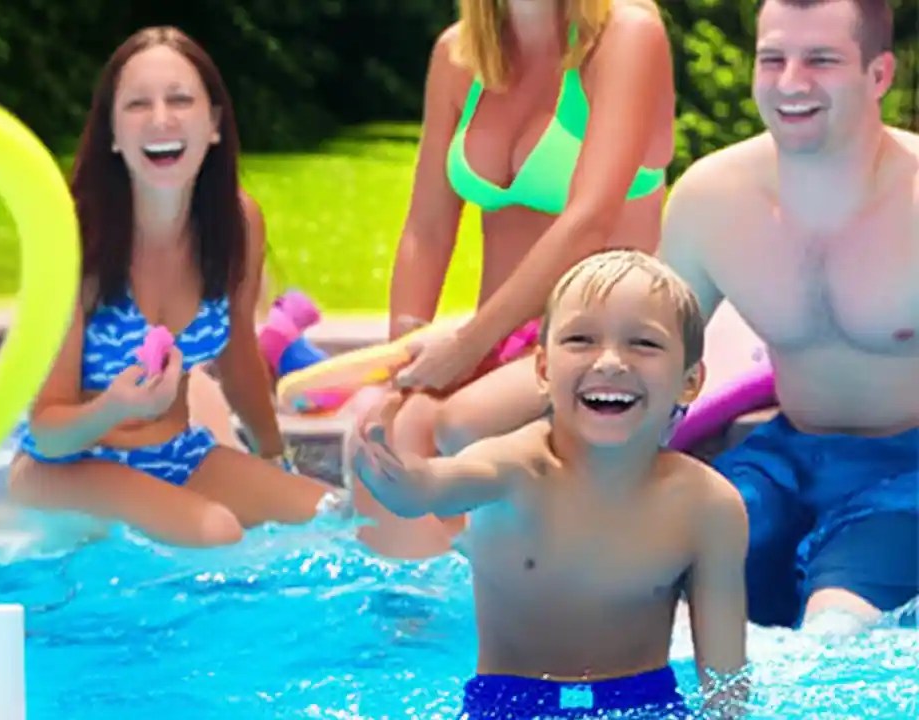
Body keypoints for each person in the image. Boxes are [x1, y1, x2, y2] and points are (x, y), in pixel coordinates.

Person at [353, 250, 749, 718]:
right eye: (581, 339)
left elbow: (727, 690)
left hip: (645, 708)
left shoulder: (707, 507)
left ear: (689, 381)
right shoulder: (514, 468)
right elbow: (437, 485)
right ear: (543, 370)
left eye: (643, 343)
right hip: (510, 707)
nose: (610, 362)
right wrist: (401, 481)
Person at [351, 0, 678, 558]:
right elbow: (427, 229)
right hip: (504, 344)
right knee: (382, 439)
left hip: (605, 340)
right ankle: (414, 631)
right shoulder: (459, 55)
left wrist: (467, 344)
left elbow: (589, 222)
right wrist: (400, 357)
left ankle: (521, 607)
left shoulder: (626, 37)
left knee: (463, 424)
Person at [8, 26, 338, 548]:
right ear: (113, 133)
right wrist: (115, 408)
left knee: (332, 518)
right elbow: (46, 432)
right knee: (215, 532)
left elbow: (238, 359)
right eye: (138, 104)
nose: (161, 119)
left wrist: (275, 457)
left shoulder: (235, 221)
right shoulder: (76, 240)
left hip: (178, 455)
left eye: (180, 99)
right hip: (68, 465)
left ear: (213, 123)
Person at [660, 0, 917, 630]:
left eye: (821, 60)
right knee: (669, 600)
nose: (791, 82)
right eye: (772, 58)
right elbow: (640, 358)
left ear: (878, 75)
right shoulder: (712, 198)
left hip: (909, 470)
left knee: (835, 634)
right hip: (784, 458)